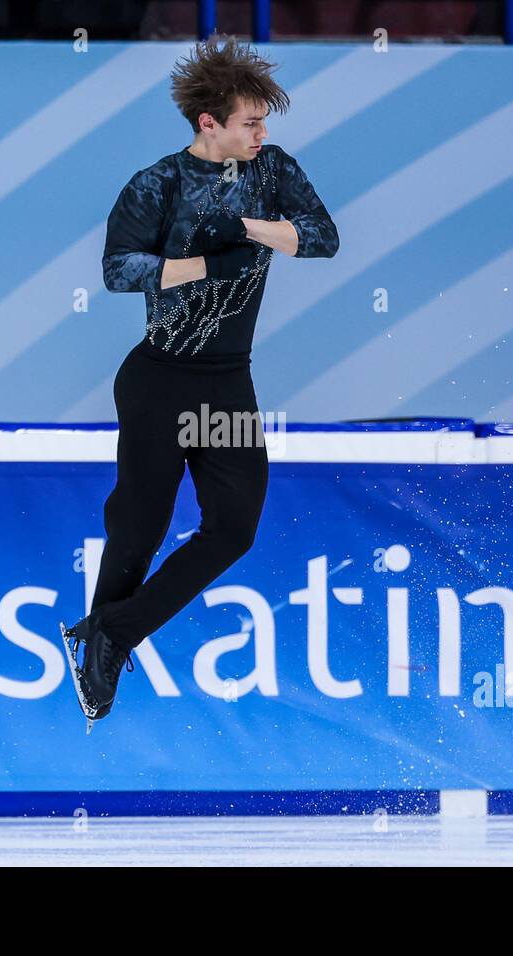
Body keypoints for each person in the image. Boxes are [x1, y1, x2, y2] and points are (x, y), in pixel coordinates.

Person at [61, 33, 340, 732]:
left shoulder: (271, 170)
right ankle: (103, 643)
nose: (263, 133)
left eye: (265, 121)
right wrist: (209, 265)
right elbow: (119, 271)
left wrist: (245, 224)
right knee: (140, 528)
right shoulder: (156, 184)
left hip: (227, 386)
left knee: (234, 529)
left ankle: (109, 633)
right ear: (208, 122)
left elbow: (322, 236)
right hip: (159, 380)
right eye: (251, 121)